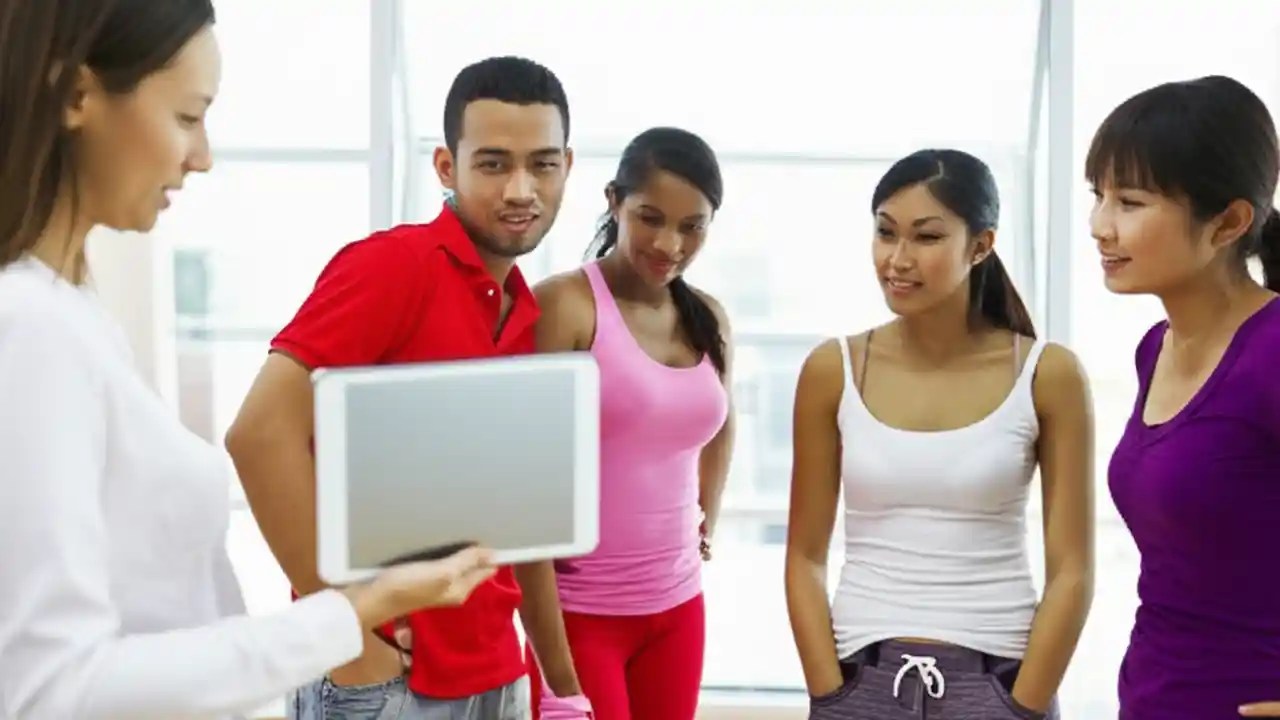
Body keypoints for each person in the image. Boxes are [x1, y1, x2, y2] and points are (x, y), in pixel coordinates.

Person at [0, 2, 497, 719]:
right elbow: (52, 690)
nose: (201, 155)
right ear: (78, 96)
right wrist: (351, 611)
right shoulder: (32, 325)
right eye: (187, 116)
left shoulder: (75, 313)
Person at [225, 56, 588, 720]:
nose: (519, 189)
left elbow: (516, 517)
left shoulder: (524, 309)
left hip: (496, 671)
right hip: (386, 682)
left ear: (567, 165)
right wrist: (353, 633)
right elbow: (258, 435)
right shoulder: (393, 266)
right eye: (492, 163)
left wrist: (556, 686)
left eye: (541, 164)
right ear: (446, 168)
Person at [785, 149, 1095, 719]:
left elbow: (1072, 568)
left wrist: (1021, 706)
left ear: (980, 246)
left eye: (926, 238)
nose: (897, 259)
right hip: (861, 677)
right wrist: (830, 693)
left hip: (999, 677)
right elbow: (804, 556)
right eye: (885, 233)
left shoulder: (1049, 374)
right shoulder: (834, 369)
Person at [1085, 75, 1280, 720]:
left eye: (1131, 203)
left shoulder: (1274, 353)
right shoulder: (1154, 348)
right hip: (1152, 697)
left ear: (1228, 221)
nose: (1099, 226)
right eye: (1099, 196)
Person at [524, 127, 735, 720]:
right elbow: (521, 486)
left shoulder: (708, 318)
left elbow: (720, 423)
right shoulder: (565, 307)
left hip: (676, 608)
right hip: (580, 613)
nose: (670, 243)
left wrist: (706, 517)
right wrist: (558, 678)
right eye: (650, 217)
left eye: (692, 226)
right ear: (614, 201)